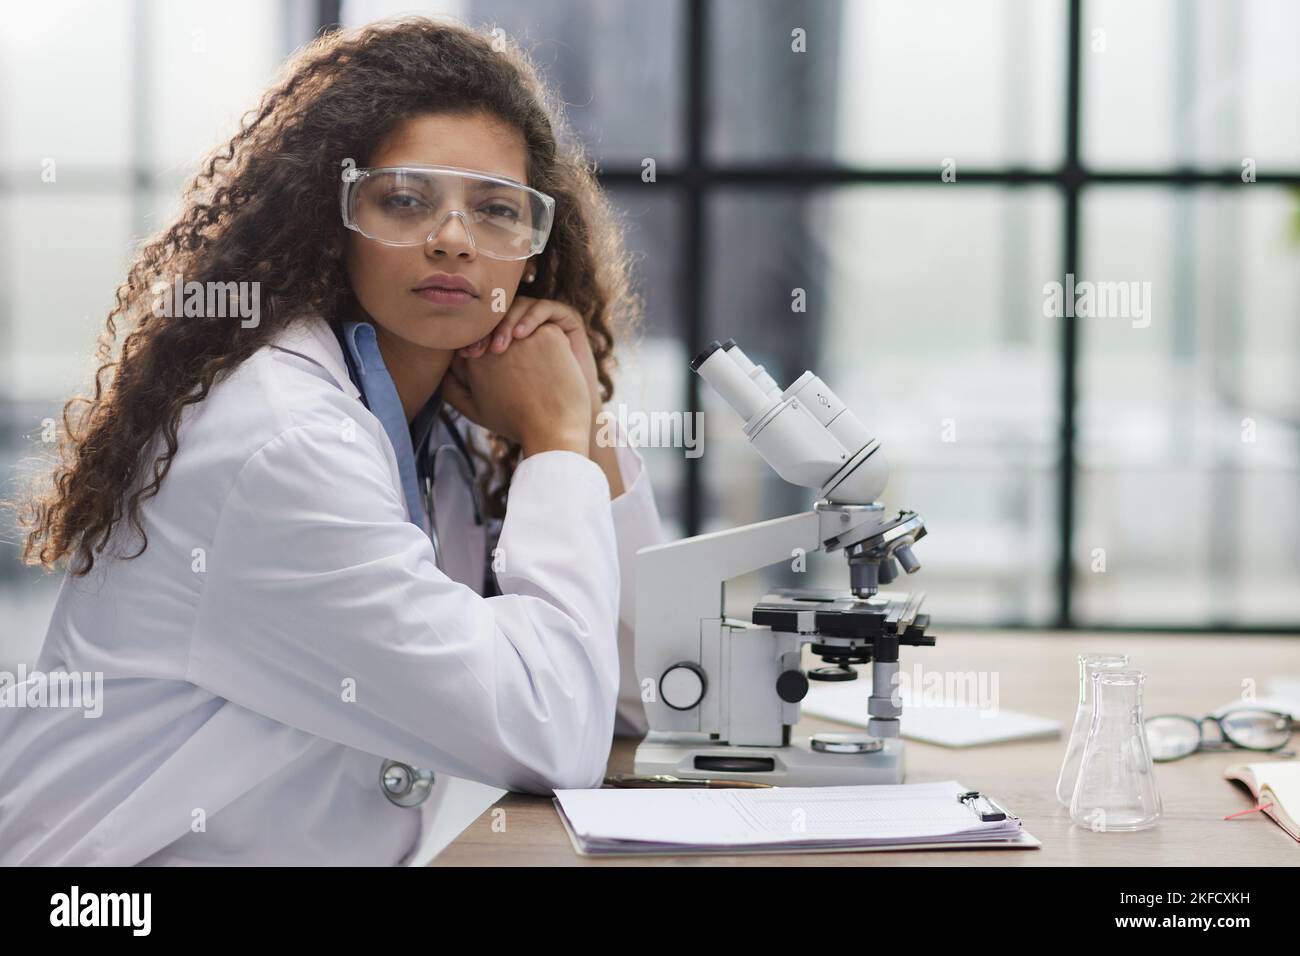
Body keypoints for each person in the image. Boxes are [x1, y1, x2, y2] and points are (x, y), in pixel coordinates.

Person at [0, 17, 663, 866]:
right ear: (333, 219)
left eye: (496, 211)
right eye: (405, 200)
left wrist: (587, 434)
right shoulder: (283, 441)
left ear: (532, 254)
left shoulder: (441, 426)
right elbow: (549, 730)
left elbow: (638, 696)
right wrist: (557, 441)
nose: (453, 237)